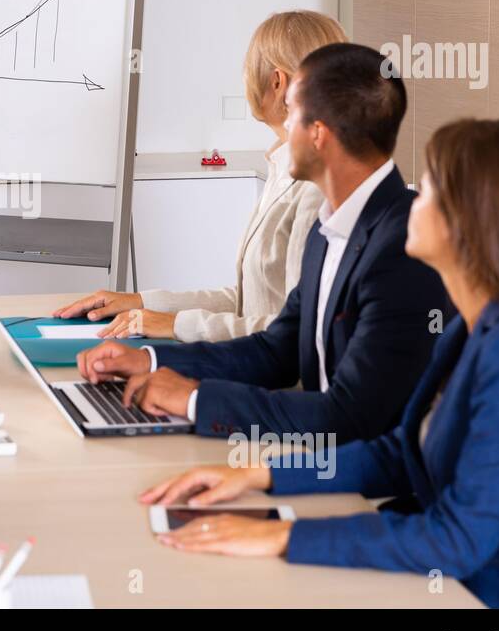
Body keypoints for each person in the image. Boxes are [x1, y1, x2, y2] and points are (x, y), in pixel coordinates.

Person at [140, 119, 499, 609]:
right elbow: (399, 455)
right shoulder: (472, 325)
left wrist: (284, 537)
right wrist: (264, 476)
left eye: (433, 189)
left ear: (473, 221)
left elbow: (456, 539)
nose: (415, 198)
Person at [77, 43, 449, 443]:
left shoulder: (403, 248)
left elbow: (349, 416)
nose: (285, 127)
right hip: (314, 449)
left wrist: (195, 401)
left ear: (318, 134)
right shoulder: (331, 227)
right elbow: (277, 351)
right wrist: (149, 360)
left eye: (293, 112)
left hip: (362, 481)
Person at [54, 11, 344, 341]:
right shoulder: (282, 167)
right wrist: (142, 303)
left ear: (277, 82)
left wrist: (173, 326)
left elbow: (294, 331)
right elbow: (248, 302)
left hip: (271, 379)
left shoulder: (315, 187)